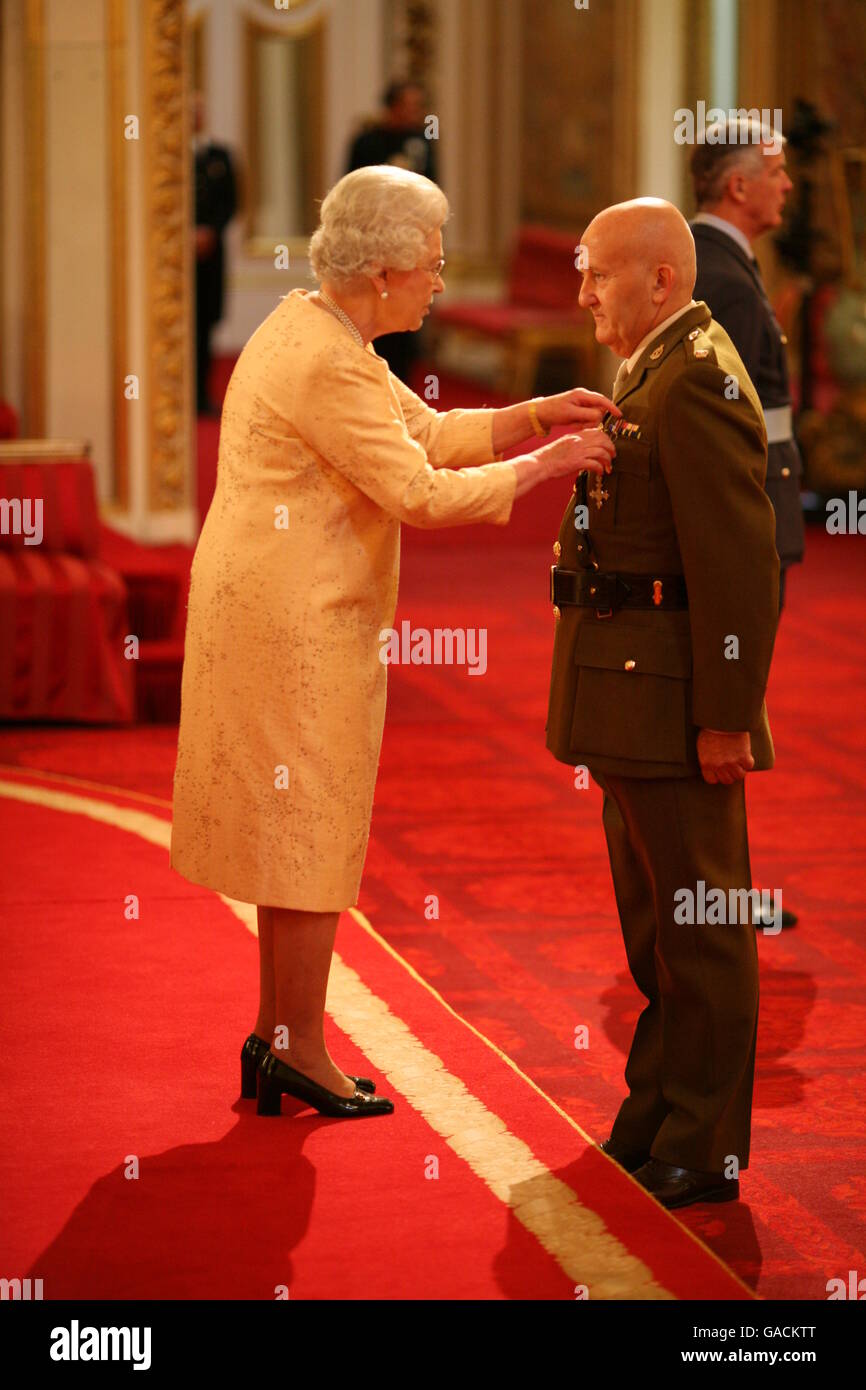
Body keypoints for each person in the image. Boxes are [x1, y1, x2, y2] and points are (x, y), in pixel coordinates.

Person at [170, 165, 618, 1122]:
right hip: (295, 618)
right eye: (432, 264)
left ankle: (281, 1037)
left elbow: (424, 432)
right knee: (311, 827)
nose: (441, 282)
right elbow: (418, 492)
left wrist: (535, 414)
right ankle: (296, 1044)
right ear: (381, 271)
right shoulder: (327, 356)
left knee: (298, 830)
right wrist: (549, 463)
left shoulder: (318, 325)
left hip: (281, 603)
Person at [546, 198, 779, 1208]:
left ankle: (704, 1144)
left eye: (597, 273)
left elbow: (736, 569)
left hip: (677, 703)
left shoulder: (697, 378)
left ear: (662, 280)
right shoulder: (649, 363)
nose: (582, 291)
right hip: (627, 699)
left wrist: (725, 716)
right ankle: (656, 1111)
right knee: (655, 931)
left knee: (702, 927)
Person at [690, 116, 804, 930]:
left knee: (734, 713)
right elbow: (724, 428)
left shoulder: (728, 264)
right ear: (739, 186)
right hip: (749, 520)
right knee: (726, 717)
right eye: (777, 171)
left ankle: (725, 893)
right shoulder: (723, 276)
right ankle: (718, 898)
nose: (788, 185)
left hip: (758, 516)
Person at [346, 82, 437, 383]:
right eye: (407, 105)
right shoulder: (367, 142)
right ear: (391, 107)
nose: (414, 112)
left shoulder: (423, 140)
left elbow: (433, 188)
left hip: (413, 246)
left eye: (417, 105)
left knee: (407, 322)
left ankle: (403, 393)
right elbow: (352, 191)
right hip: (376, 246)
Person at [193, 92, 237, 415]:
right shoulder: (168, 156)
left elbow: (231, 201)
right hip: (176, 259)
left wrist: (210, 231)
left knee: (206, 324)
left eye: (198, 110)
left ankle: (202, 394)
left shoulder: (220, 156)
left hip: (211, 256)